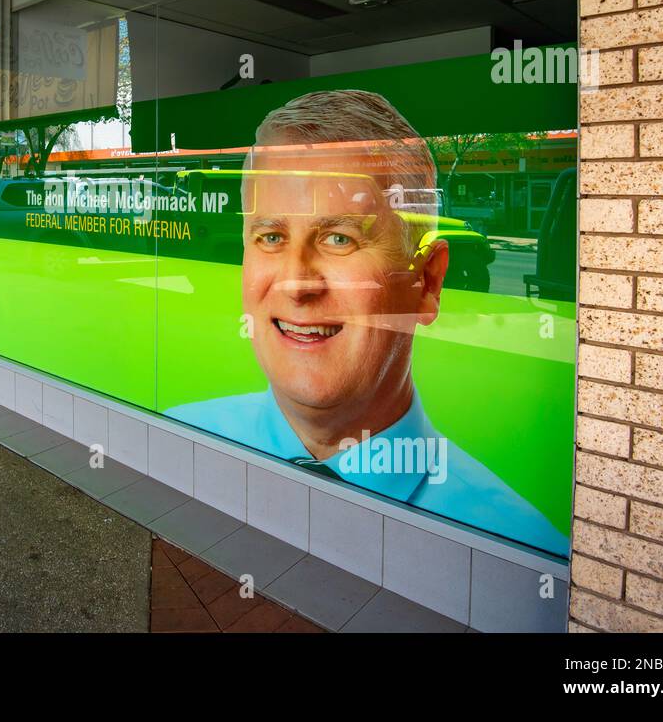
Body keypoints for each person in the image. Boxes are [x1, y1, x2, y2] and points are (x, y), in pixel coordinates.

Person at [168, 89, 567, 555]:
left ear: (427, 281)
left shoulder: (521, 549)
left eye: (340, 238)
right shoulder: (182, 443)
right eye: (271, 236)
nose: (297, 283)